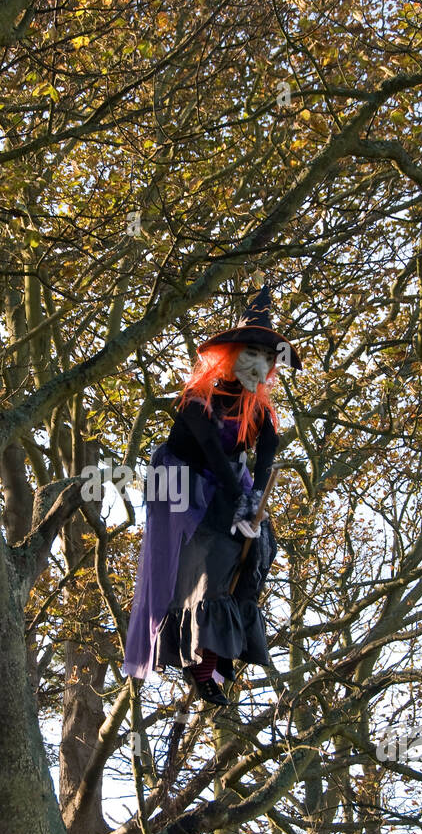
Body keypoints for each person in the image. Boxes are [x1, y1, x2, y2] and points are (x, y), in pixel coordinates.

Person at [122, 287, 302, 706]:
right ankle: (196, 651)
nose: (261, 366)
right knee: (216, 547)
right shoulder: (196, 400)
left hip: (229, 482)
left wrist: (254, 500)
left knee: (260, 546)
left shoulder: (260, 411)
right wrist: (237, 502)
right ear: (231, 354)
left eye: (268, 359)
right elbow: (208, 452)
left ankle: (222, 645)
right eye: (252, 355)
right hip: (181, 482)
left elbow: (266, 457)